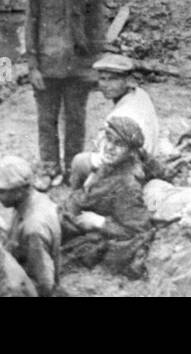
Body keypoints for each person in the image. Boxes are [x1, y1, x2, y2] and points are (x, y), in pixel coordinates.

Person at [22, 0, 106, 185]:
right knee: (47, 120)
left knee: (75, 120)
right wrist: (33, 66)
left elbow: (97, 28)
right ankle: (48, 167)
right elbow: (30, 27)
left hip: (79, 67)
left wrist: (96, 66)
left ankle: (72, 168)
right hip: (48, 66)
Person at [60, 116, 153, 278]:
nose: (109, 147)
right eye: (109, 139)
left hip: (89, 221)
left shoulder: (127, 186)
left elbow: (138, 231)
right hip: (81, 210)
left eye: (119, 144)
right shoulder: (115, 163)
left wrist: (99, 223)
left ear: (131, 151)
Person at [67, 53, 160, 189]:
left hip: (133, 169)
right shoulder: (139, 94)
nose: (105, 85)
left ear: (128, 80)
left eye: (113, 79)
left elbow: (110, 158)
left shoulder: (121, 115)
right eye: (102, 78)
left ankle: (77, 194)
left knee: (79, 161)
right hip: (145, 160)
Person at [0, 155, 61, 297]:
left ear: (19, 191)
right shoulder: (32, 200)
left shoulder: (33, 228)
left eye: (0, 190)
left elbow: (44, 284)